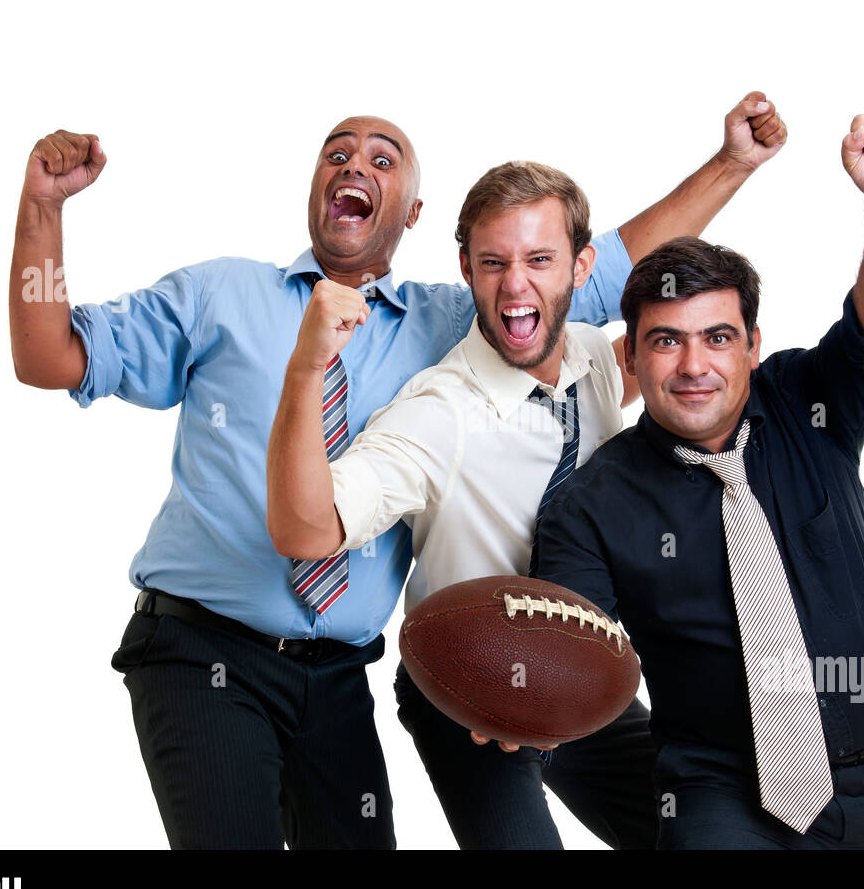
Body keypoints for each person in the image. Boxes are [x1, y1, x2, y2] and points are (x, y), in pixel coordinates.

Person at [6, 97, 787, 849]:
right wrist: (44, 206)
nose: (355, 164)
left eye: (383, 158)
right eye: (337, 152)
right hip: (204, 643)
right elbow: (49, 356)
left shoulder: (451, 318)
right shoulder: (223, 294)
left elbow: (607, 267)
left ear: (412, 213)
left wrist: (732, 162)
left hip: (340, 670)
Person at [270, 156, 781, 848]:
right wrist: (307, 369)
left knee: (706, 829)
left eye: (540, 259)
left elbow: (650, 359)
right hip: (466, 679)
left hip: (573, 665)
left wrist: (732, 164)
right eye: (493, 263)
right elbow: (305, 531)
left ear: (581, 267)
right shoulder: (438, 412)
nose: (515, 284)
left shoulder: (593, 360)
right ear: (466, 268)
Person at [530, 113, 864, 849]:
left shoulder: (806, 402)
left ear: (752, 346)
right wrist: (516, 696)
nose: (694, 366)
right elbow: (569, 663)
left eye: (718, 337)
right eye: (666, 341)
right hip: (720, 795)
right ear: (629, 358)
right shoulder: (589, 507)